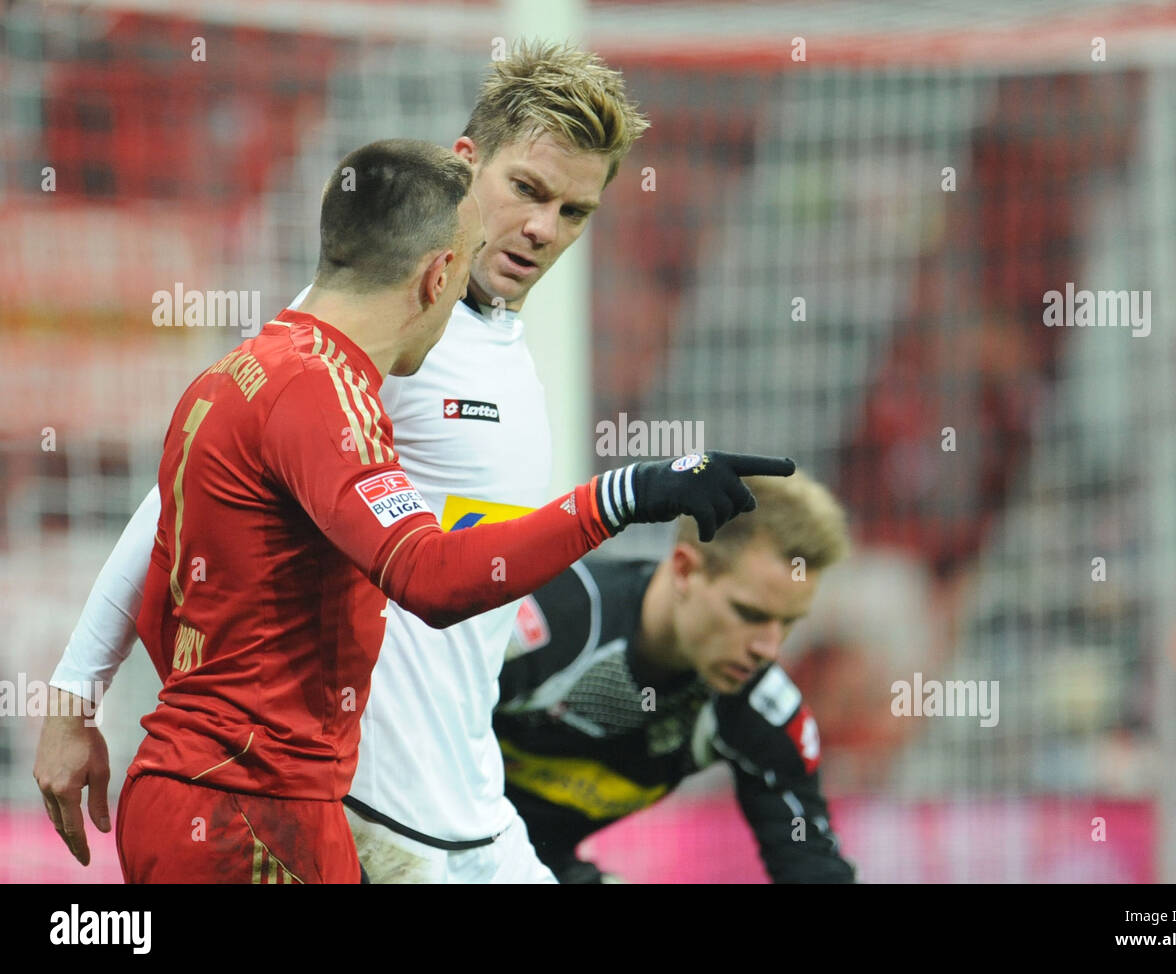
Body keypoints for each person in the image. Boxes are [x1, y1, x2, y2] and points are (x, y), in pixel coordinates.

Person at [37, 135, 793, 883]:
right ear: (439, 276)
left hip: (242, 790)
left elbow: (165, 556)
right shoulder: (328, 395)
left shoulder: (230, 378)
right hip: (256, 803)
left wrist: (77, 699)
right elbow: (429, 577)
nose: (541, 229)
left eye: (572, 211)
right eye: (528, 193)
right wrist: (626, 494)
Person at [495, 472, 856, 883]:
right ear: (684, 569)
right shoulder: (551, 618)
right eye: (750, 614)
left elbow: (813, 867)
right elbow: (417, 744)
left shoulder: (760, 709)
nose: (769, 649)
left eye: (788, 622)